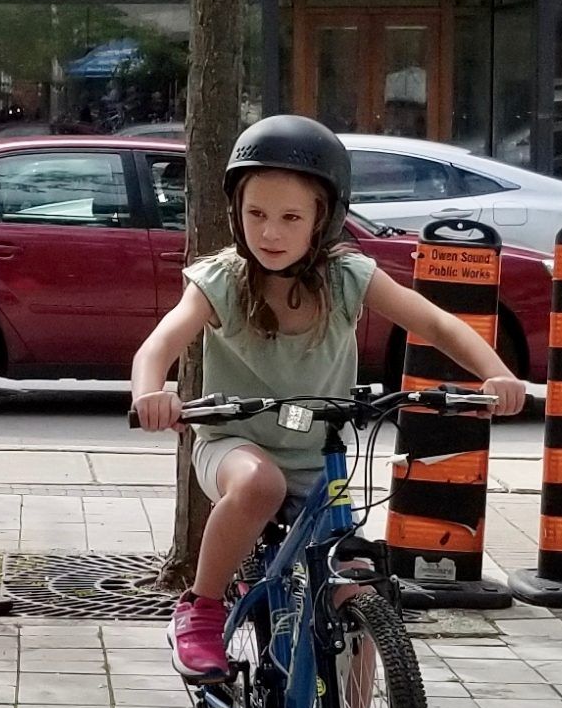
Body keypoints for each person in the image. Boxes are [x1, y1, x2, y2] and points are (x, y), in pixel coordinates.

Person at [130, 115, 527, 677]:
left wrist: (496, 374)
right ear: (236, 214)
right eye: (256, 214)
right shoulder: (220, 280)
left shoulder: (348, 277)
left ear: (324, 219)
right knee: (260, 484)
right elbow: (158, 344)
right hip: (234, 445)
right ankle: (201, 608)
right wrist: (151, 393)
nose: (270, 233)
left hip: (321, 464)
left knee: (358, 593)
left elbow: (437, 324)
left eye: (290, 217)